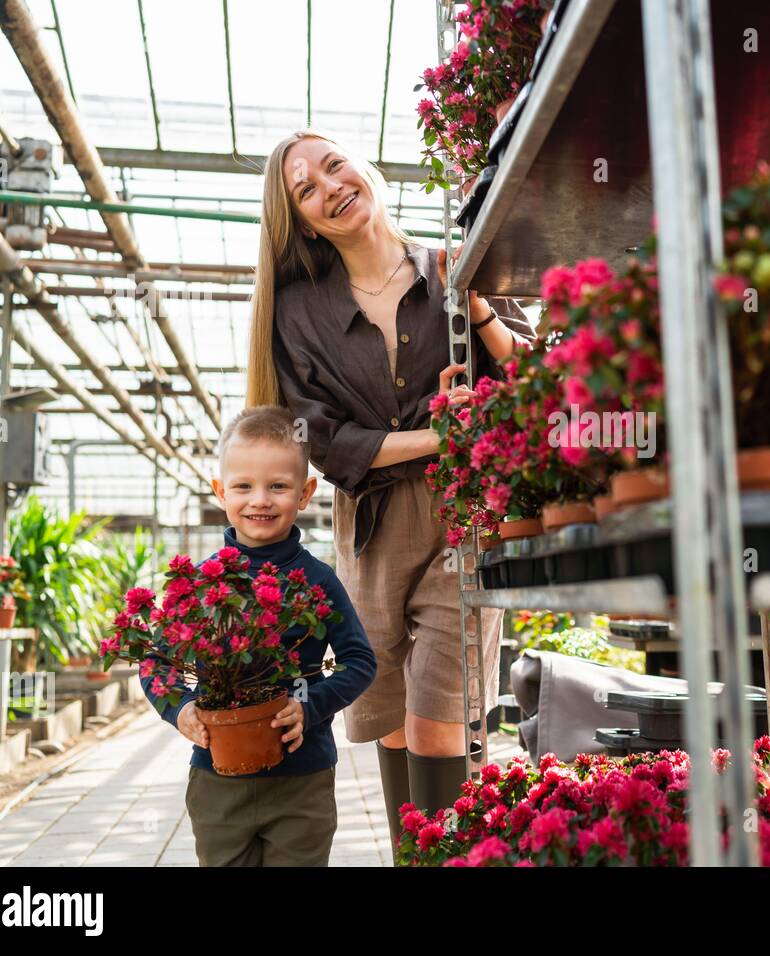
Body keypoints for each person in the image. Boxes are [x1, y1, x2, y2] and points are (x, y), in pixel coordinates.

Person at [244, 130, 535, 858]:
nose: (329, 187)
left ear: (362, 166)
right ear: (302, 223)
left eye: (333, 165)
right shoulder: (298, 312)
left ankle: (452, 853)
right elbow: (320, 435)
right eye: (305, 190)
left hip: (462, 518)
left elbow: (539, 384)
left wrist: (478, 306)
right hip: (371, 534)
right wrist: (444, 431)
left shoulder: (455, 267)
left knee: (441, 720)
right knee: (400, 726)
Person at [140, 405, 377, 866]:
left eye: (278, 486)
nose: (260, 500)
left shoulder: (318, 579)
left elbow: (360, 662)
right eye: (243, 486)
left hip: (302, 782)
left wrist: (309, 708)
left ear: (305, 493)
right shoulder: (204, 582)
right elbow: (156, 663)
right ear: (220, 491)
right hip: (217, 780)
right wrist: (180, 708)